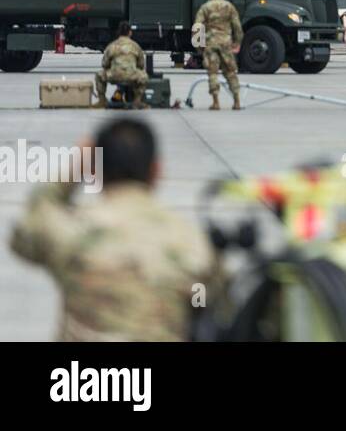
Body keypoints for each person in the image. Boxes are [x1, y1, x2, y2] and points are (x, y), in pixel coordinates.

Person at [9, 117, 218, 341]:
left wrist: (73, 170)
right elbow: (208, 308)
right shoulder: (193, 243)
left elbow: (27, 230)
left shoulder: (74, 233)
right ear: (156, 171)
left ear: (95, 172)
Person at [194, 0, 243, 110]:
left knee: (213, 73)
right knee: (231, 72)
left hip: (211, 44)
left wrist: (199, 46)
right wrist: (237, 42)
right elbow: (237, 26)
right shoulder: (228, 6)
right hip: (226, 43)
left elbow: (198, 27)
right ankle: (237, 101)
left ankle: (216, 102)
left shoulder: (205, 8)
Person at [94, 21, 148, 109]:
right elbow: (141, 65)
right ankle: (137, 102)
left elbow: (104, 64)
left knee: (99, 75)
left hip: (114, 75)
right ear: (130, 32)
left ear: (118, 33)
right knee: (144, 76)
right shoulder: (135, 46)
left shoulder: (112, 45)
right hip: (132, 75)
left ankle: (102, 101)